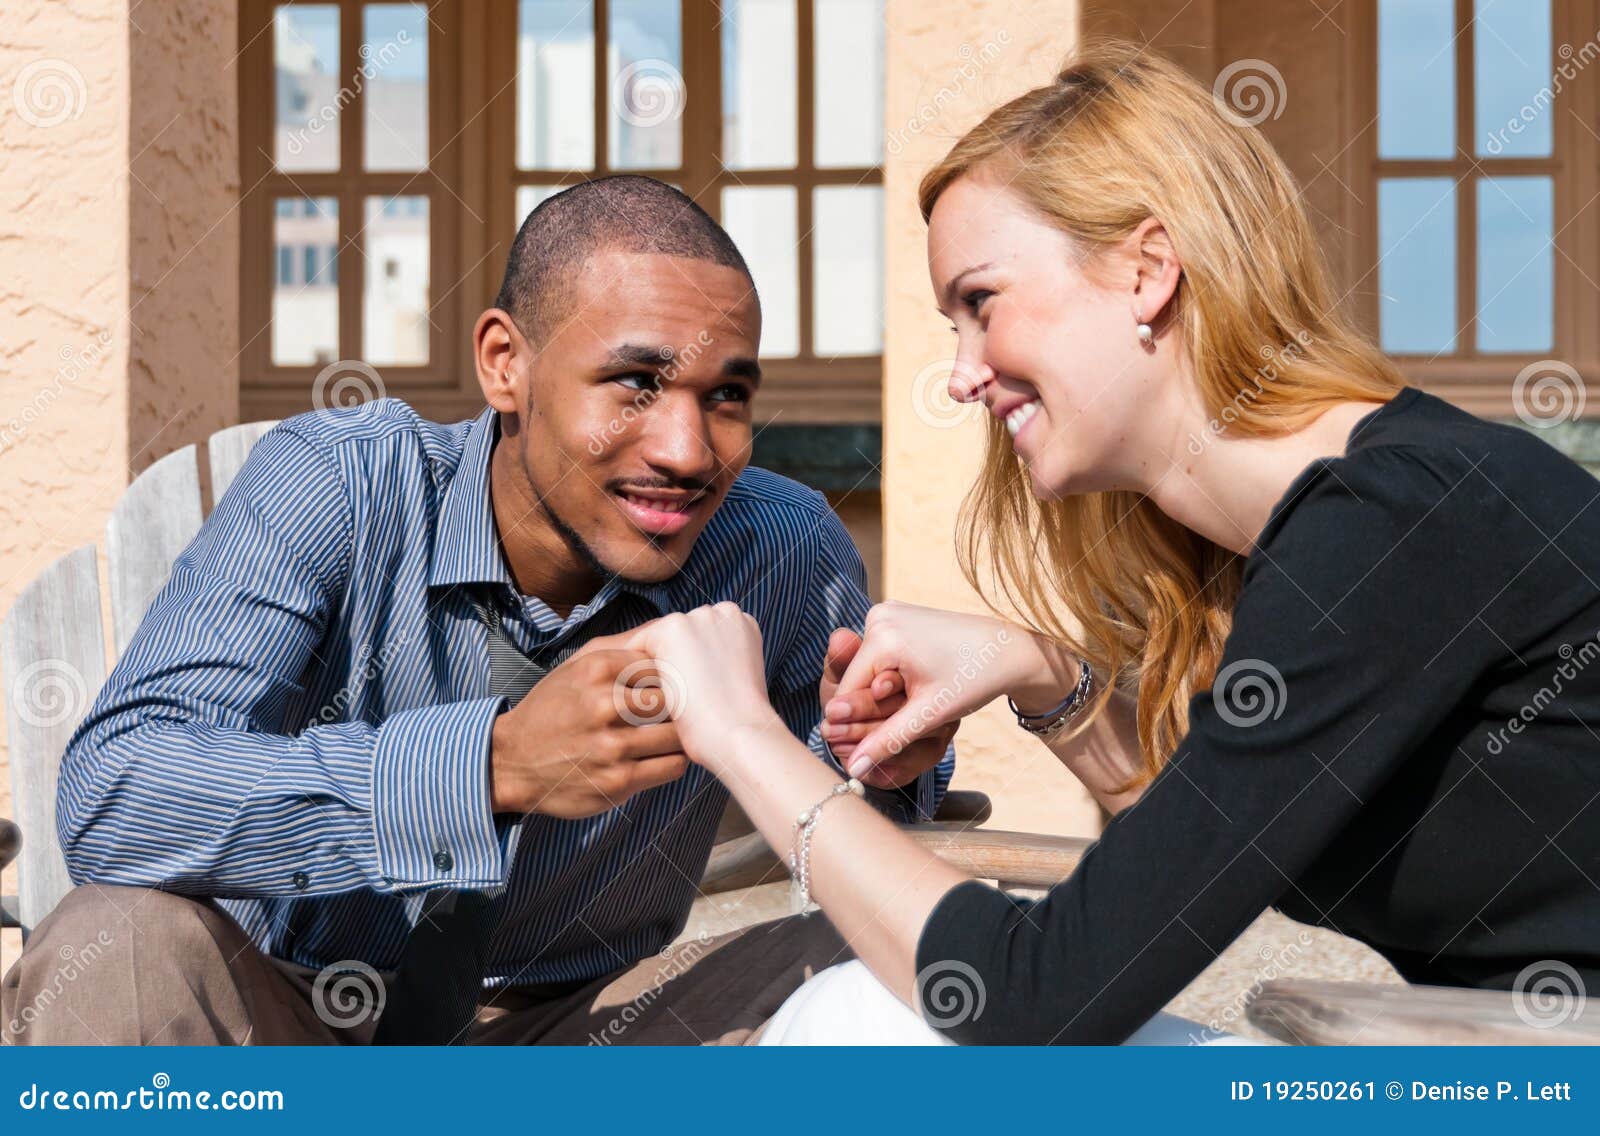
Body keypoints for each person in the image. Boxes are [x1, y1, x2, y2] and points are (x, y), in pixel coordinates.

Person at [621, 42, 1600, 1045]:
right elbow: (1192, 859)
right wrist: (1043, 673)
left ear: (1146, 269)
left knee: (869, 1024)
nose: (961, 373)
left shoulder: (1397, 522)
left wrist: (739, 732)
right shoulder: (1358, 520)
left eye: (981, 303)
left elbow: (1035, 1000)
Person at [0, 176, 955, 1046]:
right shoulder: (340, 485)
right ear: (506, 363)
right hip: (275, 1023)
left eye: (728, 396)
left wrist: (880, 757)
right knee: (120, 941)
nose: (687, 449)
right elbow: (119, 791)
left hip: (576, 1033)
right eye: (637, 383)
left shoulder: (777, 549)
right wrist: (491, 766)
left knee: (869, 974)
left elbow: (855, 803)